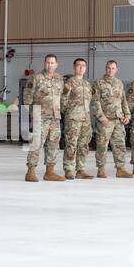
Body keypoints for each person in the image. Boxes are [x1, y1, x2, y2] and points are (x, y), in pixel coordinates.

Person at [22, 54, 64, 182]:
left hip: (55, 117)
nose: (50, 65)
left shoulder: (59, 79)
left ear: (56, 64)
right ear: (44, 64)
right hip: (40, 117)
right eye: (47, 62)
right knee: (36, 144)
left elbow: (61, 97)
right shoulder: (36, 78)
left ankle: (49, 172)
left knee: (53, 144)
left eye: (52, 63)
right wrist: (33, 114)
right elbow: (27, 97)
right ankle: (31, 172)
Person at [92, 60, 132, 178]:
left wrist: (127, 115)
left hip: (118, 120)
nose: (110, 70)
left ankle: (120, 169)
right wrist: (101, 117)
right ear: (105, 69)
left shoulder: (119, 83)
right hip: (105, 120)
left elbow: (123, 101)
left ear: (116, 69)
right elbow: (95, 102)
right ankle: (101, 169)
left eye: (113, 68)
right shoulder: (99, 83)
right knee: (102, 145)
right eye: (109, 68)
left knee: (120, 145)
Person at [61, 58, 95, 179]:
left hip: (86, 120)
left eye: (83, 66)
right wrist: (70, 113)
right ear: (74, 68)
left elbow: (90, 101)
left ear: (85, 68)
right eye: (78, 65)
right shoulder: (69, 83)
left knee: (84, 145)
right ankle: (68, 169)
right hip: (73, 119)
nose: (81, 68)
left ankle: (80, 169)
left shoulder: (87, 84)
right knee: (71, 144)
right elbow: (63, 102)